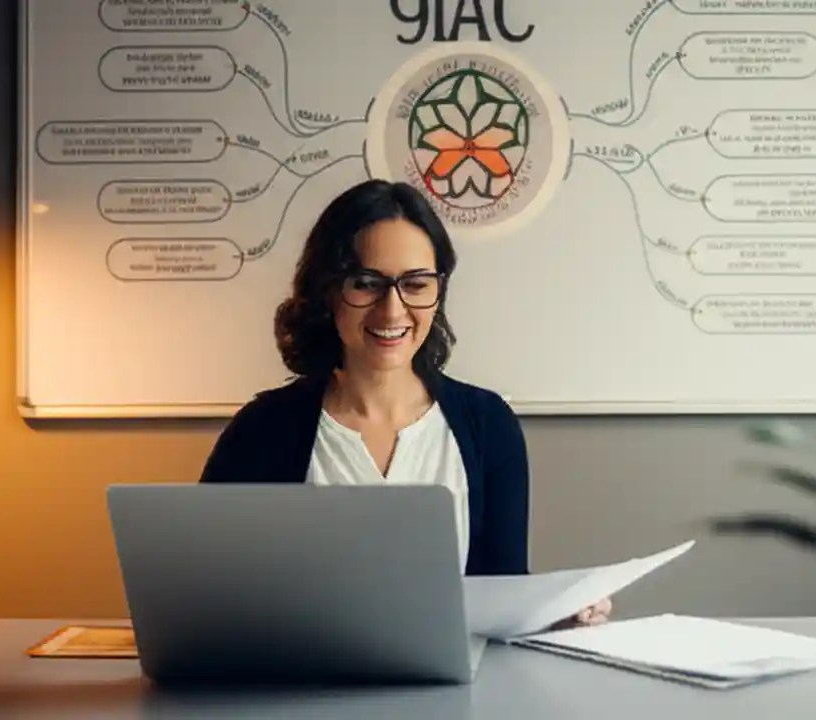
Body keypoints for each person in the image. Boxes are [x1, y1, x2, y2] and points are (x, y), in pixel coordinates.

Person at [199, 178, 610, 628]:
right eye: (365, 283)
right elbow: (211, 597)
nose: (392, 311)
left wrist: (554, 615)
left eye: (415, 284)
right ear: (327, 292)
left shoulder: (488, 425)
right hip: (301, 691)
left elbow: (502, 593)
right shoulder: (262, 430)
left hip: (455, 692)